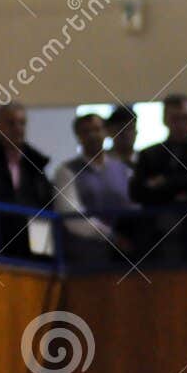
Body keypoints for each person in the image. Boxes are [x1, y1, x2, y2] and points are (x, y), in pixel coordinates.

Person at [129, 93, 187, 263]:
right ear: (165, 120)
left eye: (185, 118)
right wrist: (186, 186)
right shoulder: (150, 154)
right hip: (158, 240)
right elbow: (138, 192)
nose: (181, 124)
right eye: (175, 119)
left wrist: (163, 183)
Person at [52, 111, 139, 264]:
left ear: (105, 132)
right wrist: (111, 236)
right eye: (86, 132)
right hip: (83, 259)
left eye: (97, 130)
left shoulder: (124, 169)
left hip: (124, 257)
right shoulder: (66, 171)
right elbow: (72, 217)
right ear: (78, 136)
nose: (93, 136)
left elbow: (134, 205)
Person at [0, 102, 55, 258]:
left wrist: (44, 254)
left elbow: (46, 207)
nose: (17, 128)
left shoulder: (36, 168)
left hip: (31, 256)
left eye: (22, 123)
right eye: (11, 123)